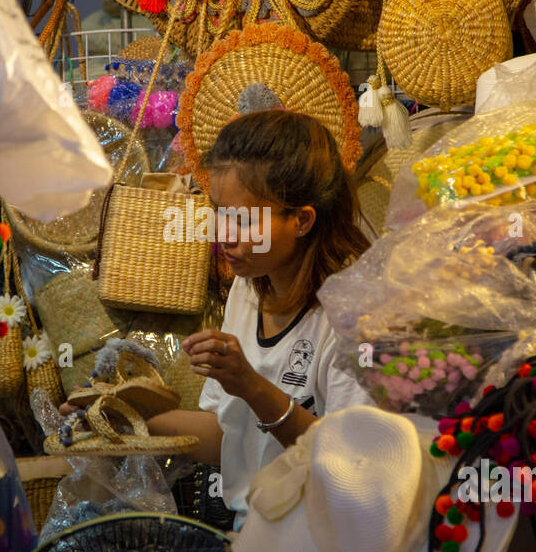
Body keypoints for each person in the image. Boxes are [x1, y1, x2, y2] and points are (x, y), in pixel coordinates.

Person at [141, 109, 373, 529]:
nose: (224, 235)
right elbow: (227, 436)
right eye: (219, 212)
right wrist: (125, 419)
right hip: (253, 533)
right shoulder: (249, 290)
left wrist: (250, 384)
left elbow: (348, 465)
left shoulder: (353, 314)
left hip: (321, 545)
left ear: (301, 219)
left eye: (244, 220)